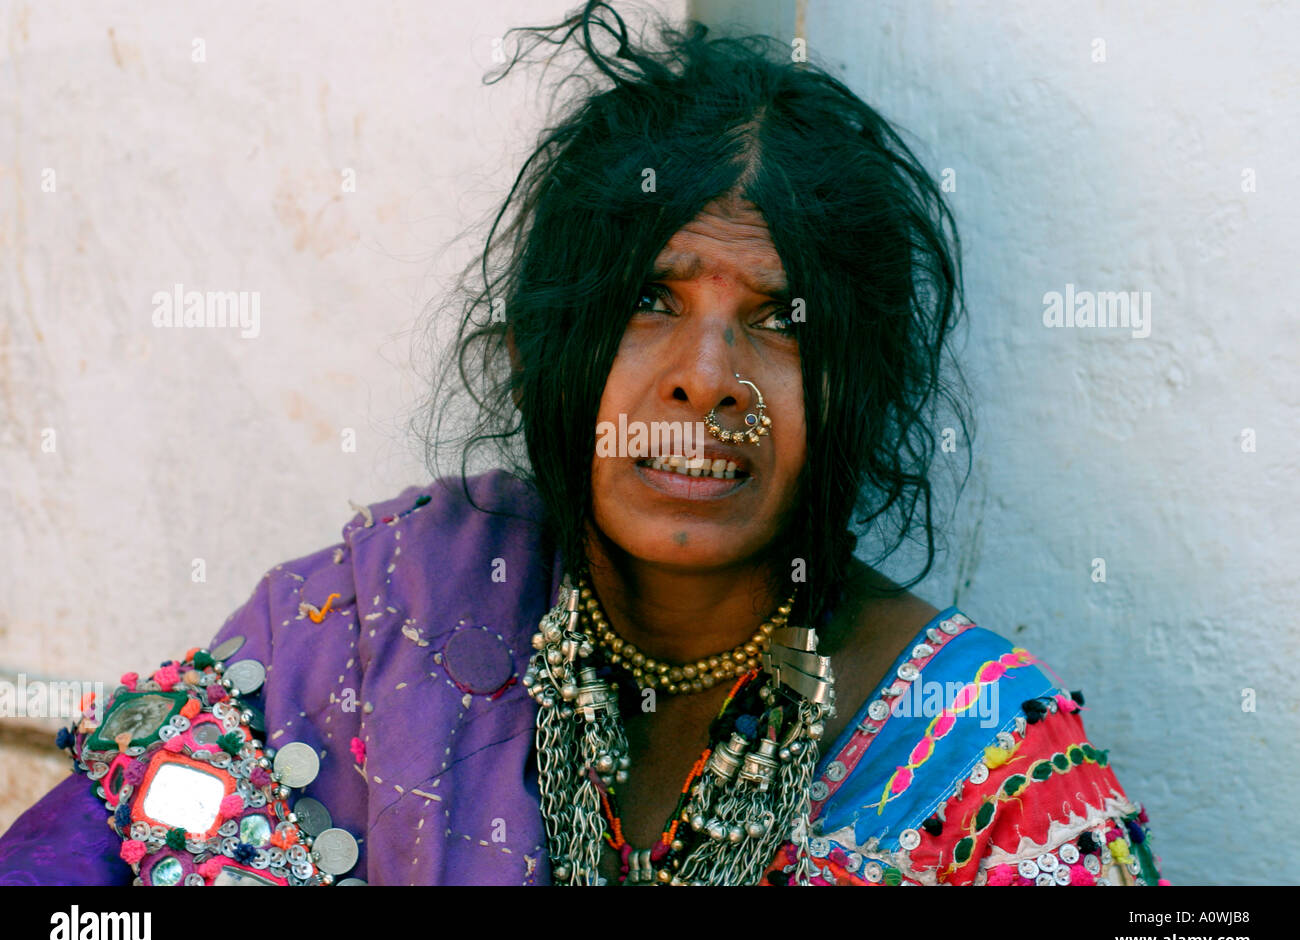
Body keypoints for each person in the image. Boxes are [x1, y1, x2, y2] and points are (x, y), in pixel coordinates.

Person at [0, 2, 1164, 886]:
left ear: (856, 392)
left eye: (779, 323)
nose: (702, 382)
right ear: (547, 350)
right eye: (649, 302)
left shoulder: (983, 779)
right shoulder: (398, 611)